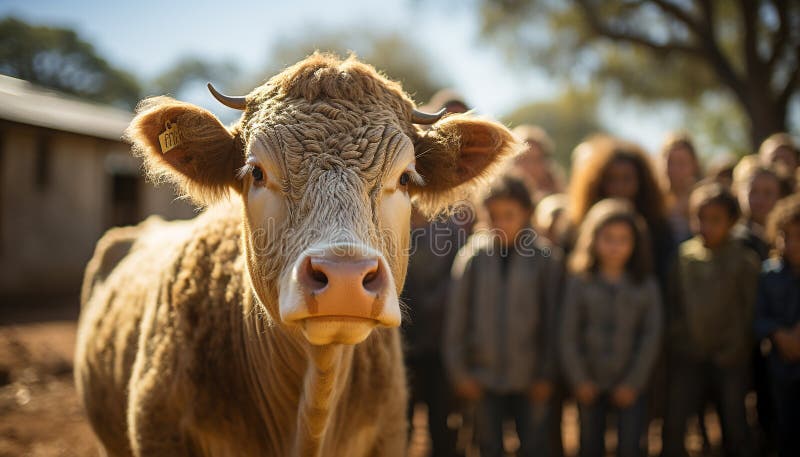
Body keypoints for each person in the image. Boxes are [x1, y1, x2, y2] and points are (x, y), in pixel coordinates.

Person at [444, 175, 563, 457]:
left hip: (530, 376)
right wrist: (461, 372)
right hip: (483, 377)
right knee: (488, 446)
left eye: (509, 215)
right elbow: (456, 321)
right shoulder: (471, 258)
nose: (501, 223)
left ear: (527, 213)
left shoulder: (545, 259)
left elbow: (554, 321)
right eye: (494, 216)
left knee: (533, 445)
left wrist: (546, 373)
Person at [662, 182, 760, 457]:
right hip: (688, 355)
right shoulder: (684, 257)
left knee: (734, 421)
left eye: (715, 220)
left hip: (731, 359)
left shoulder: (744, 261)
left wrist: (734, 348)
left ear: (732, 221)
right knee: (676, 419)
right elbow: (674, 304)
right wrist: (681, 340)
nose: (706, 226)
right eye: (700, 218)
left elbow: (749, 310)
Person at [560, 199, 663, 457]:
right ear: (593, 239)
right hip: (589, 384)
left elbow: (651, 337)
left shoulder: (645, 285)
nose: (615, 246)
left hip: (630, 386)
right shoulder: (579, 283)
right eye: (608, 238)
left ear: (635, 243)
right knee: (590, 445)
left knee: (631, 445)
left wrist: (633, 382)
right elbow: (567, 334)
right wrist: (580, 379)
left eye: (623, 239)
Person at [402, 208, 467, 457]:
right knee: (400, 426)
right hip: (402, 349)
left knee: (443, 427)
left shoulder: (451, 231)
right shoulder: (389, 223)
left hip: (442, 349)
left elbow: (459, 284)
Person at [756, 194, 800, 457]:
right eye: (787, 236)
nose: (793, 244)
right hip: (780, 368)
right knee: (785, 428)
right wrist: (779, 335)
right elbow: (758, 317)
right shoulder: (768, 274)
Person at [659, 132, 702, 243]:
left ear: (694, 165)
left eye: (682, 163)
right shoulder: (655, 200)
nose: (675, 169)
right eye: (670, 162)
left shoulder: (703, 200)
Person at [511, 125, 565, 200]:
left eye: (536, 160)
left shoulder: (559, 200)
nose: (531, 167)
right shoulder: (498, 201)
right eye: (524, 159)